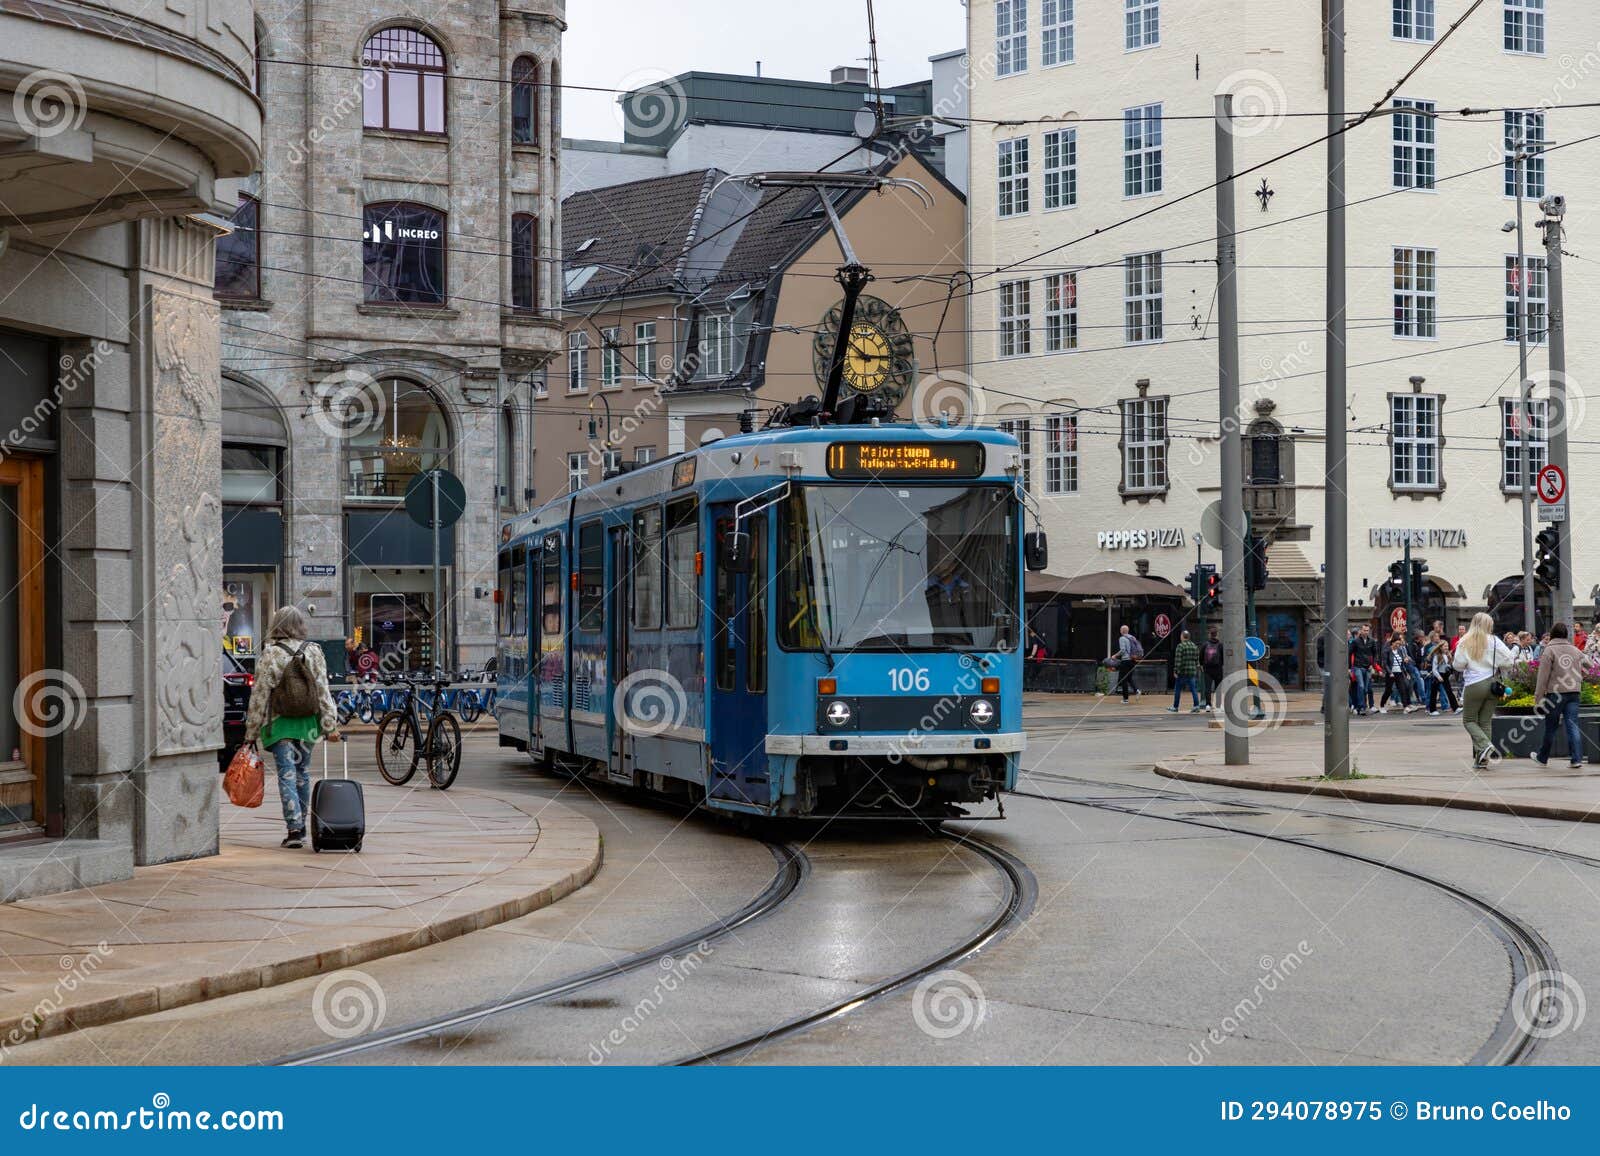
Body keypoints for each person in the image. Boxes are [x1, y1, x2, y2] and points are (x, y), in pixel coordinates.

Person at [244, 607, 342, 848]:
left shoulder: (271, 654)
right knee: (303, 773)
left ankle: (294, 829)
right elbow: (323, 690)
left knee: (286, 774)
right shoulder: (314, 651)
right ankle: (303, 826)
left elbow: (259, 697)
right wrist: (330, 726)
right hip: (308, 724)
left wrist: (251, 733)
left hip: (279, 724)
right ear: (300, 625)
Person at [1454, 612, 1517, 768]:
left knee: (1469, 720)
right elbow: (1509, 661)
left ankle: (1484, 746)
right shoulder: (1495, 641)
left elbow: (1458, 665)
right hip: (1492, 685)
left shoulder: (1465, 640)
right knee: (1485, 722)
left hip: (1474, 684)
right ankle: (1482, 759)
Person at [1534, 622, 1586, 769]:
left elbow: (1542, 677)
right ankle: (1576, 759)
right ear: (1566, 635)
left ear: (1552, 634)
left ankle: (1542, 758)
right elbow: (1588, 663)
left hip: (1555, 694)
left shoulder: (1549, 650)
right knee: (1572, 725)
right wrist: (1581, 674)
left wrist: (1538, 698)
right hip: (1574, 692)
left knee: (1551, 727)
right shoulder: (1575, 650)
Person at [1379, 636, 1419, 713]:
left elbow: (1401, 663)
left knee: (1403, 688)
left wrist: (1405, 663)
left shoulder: (1399, 650)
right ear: (1392, 643)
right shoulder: (1387, 651)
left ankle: (1405, 707)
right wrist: (1390, 672)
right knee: (1388, 690)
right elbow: (1385, 664)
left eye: (1399, 644)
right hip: (1391, 673)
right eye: (1397, 644)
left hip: (1399, 672)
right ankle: (1382, 705)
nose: (1398, 645)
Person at [1425, 630, 1459, 715]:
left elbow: (1448, 665)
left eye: (1447, 646)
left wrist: (1449, 667)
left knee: (1449, 692)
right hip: (1438, 676)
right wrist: (1438, 676)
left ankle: (1455, 708)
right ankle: (1432, 710)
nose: (1446, 648)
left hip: (1445, 675)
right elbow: (1434, 669)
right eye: (1444, 646)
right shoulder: (1437, 656)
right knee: (1434, 692)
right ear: (1440, 647)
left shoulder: (1447, 655)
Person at [1169, 630, 1203, 713]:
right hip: (1192, 672)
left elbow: (1178, 660)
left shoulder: (1180, 646)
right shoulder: (1194, 646)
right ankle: (1196, 706)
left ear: (1182, 636)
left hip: (1182, 672)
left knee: (1178, 690)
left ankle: (1175, 707)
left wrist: (1175, 671)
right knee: (1193, 690)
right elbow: (1197, 660)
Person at [1350, 624, 1379, 716]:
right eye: (1364, 630)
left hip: (1368, 667)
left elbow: (1375, 654)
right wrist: (1349, 668)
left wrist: (1373, 665)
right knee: (1361, 686)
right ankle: (1361, 706)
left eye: (1367, 630)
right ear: (1361, 631)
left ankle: (1360, 707)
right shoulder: (1355, 641)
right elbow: (1349, 653)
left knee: (1366, 689)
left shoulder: (1372, 641)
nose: (1366, 632)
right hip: (1357, 666)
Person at [1110, 624, 1143, 703]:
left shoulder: (1122, 638)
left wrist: (1115, 655)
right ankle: (1137, 690)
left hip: (1125, 661)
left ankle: (1125, 699)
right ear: (1127, 631)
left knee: (1123, 680)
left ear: (1122, 631)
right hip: (1133, 660)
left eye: (1120, 630)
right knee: (1129, 678)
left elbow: (1123, 650)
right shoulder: (1132, 637)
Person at [1200, 627, 1225, 707]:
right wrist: (1221, 665)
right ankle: (1218, 704)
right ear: (1216, 634)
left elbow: (1201, 656)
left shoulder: (1205, 644)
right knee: (1218, 688)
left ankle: (1208, 704)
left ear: (1210, 635)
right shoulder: (1220, 645)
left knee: (1207, 688)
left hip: (1207, 669)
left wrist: (1201, 665)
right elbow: (1223, 657)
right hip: (1218, 669)